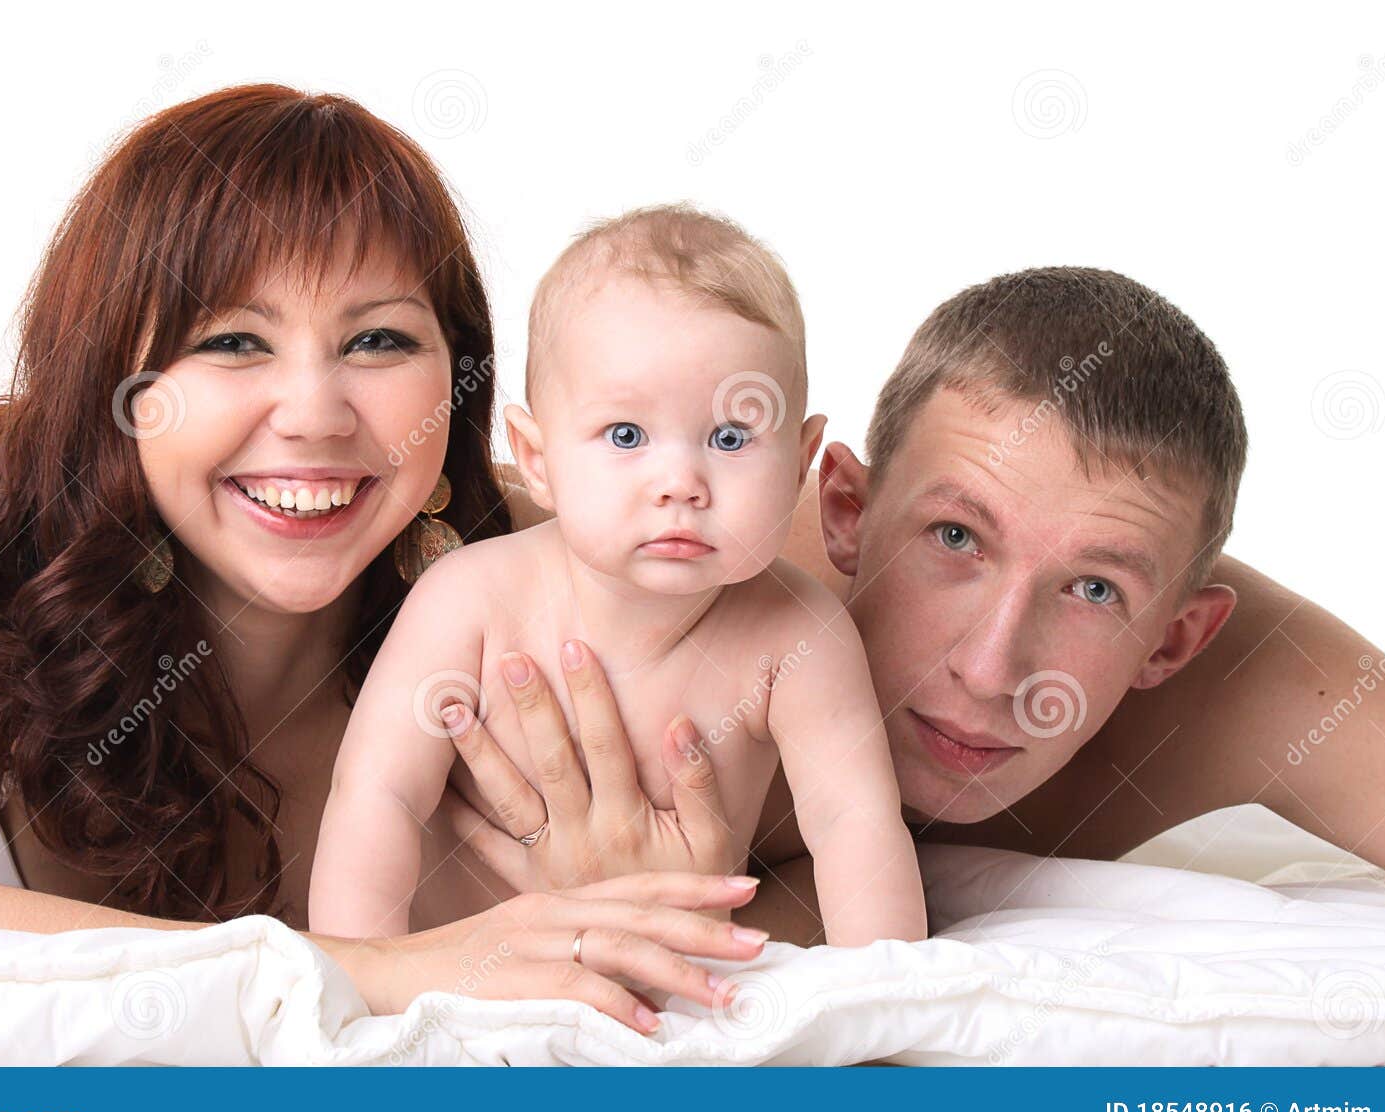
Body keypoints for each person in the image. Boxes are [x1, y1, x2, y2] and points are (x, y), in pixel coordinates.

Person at [0, 84, 772, 1037]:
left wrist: (670, 920)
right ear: (116, 383)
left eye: (378, 339)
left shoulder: (567, 559)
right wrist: (365, 968)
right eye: (232, 341)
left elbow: (830, 845)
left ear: (463, 380)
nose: (313, 414)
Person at [438, 266, 1385, 945]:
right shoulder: (634, 560)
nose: (989, 672)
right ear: (845, 511)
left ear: (1175, 640)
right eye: (955, 538)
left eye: (1094, 589)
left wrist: (714, 919)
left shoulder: (1260, 694)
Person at [308, 205, 925, 947]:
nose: (680, 483)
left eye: (731, 437)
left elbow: (854, 822)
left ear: (799, 461)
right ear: (537, 459)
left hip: (668, 985)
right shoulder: (470, 598)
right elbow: (377, 794)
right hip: (461, 978)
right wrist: (362, 975)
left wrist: (885, 993)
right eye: (626, 435)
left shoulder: (801, 633)